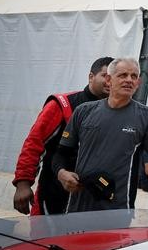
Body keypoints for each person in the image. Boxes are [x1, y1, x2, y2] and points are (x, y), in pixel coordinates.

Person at [52, 58, 148, 223]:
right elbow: (61, 154)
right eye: (123, 75)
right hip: (78, 207)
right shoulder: (84, 112)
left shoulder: (146, 116)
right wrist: (61, 173)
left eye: (134, 76)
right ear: (109, 80)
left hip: (118, 210)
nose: (129, 80)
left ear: (138, 82)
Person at [12, 56, 114, 215]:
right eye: (105, 76)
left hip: (93, 200)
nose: (109, 81)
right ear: (91, 77)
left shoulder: (119, 112)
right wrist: (23, 184)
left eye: (113, 78)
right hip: (53, 194)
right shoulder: (63, 104)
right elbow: (34, 142)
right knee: (44, 239)